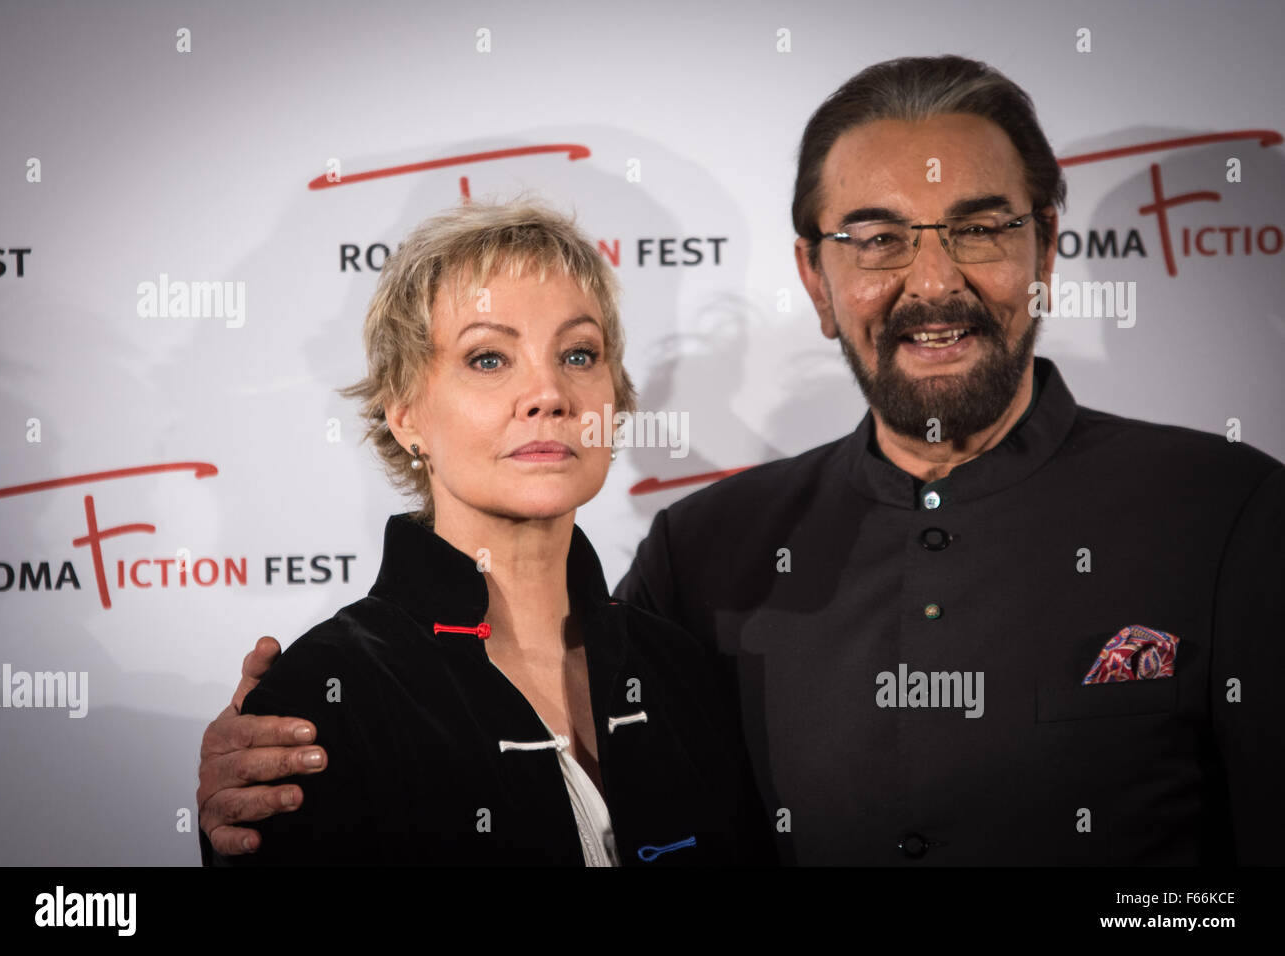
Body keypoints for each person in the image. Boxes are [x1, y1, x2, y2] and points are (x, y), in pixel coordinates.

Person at [198, 56, 1284, 866]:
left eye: (979, 226)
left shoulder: (1227, 513)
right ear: (815, 280)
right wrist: (242, 785)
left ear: (1046, 247)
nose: (934, 280)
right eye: (876, 237)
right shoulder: (704, 550)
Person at [204, 199, 773, 865]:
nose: (549, 392)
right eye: (489, 359)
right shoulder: (316, 700)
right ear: (406, 414)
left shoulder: (683, 671)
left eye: (579, 353)